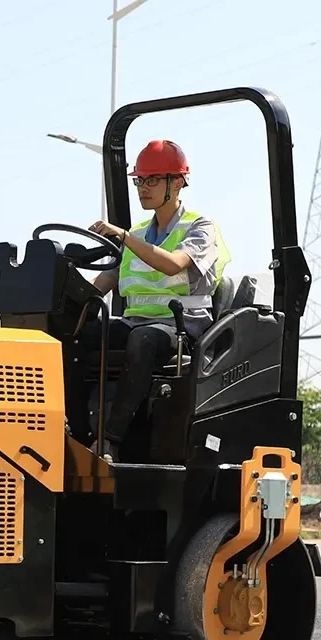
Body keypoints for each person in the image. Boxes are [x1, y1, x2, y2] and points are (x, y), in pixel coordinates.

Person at [86, 139, 231, 463]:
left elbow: (173, 264)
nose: (143, 188)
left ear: (177, 183)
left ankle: (109, 442)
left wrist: (124, 237)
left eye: (152, 180)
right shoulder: (137, 232)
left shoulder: (199, 227)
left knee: (143, 340)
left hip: (181, 329)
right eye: (140, 180)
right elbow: (104, 283)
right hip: (135, 322)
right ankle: (69, 429)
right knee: (80, 334)